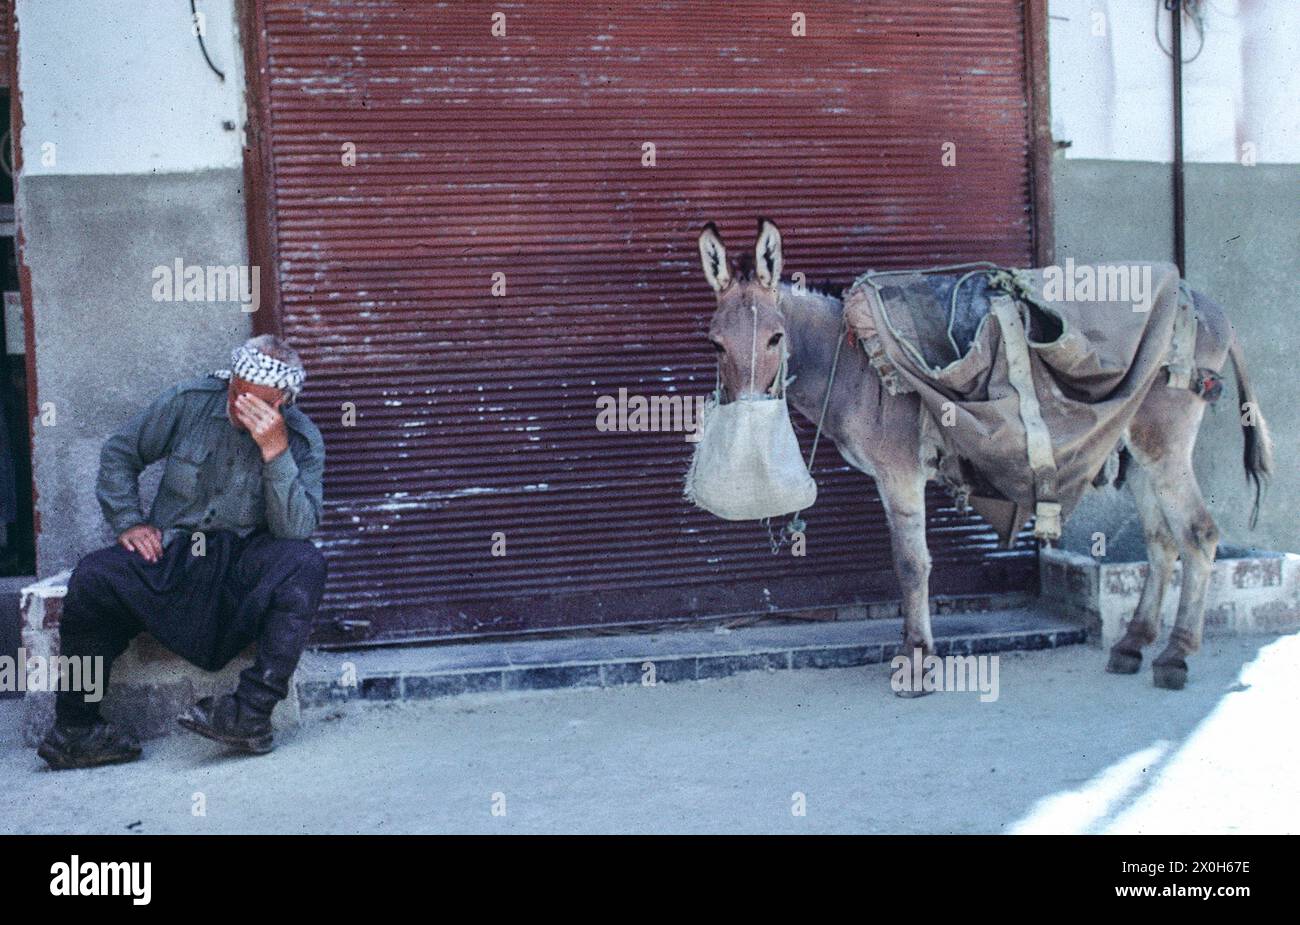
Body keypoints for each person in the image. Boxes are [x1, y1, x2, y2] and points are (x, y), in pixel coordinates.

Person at [37, 334, 327, 769]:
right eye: (236, 391)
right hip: (174, 555)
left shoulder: (302, 441)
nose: (239, 404)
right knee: (94, 578)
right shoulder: (190, 401)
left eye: (256, 401)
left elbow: (296, 530)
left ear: (283, 400)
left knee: (305, 564)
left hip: (242, 566)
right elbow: (121, 452)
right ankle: (76, 730)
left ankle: (249, 715)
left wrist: (274, 452)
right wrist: (129, 521)